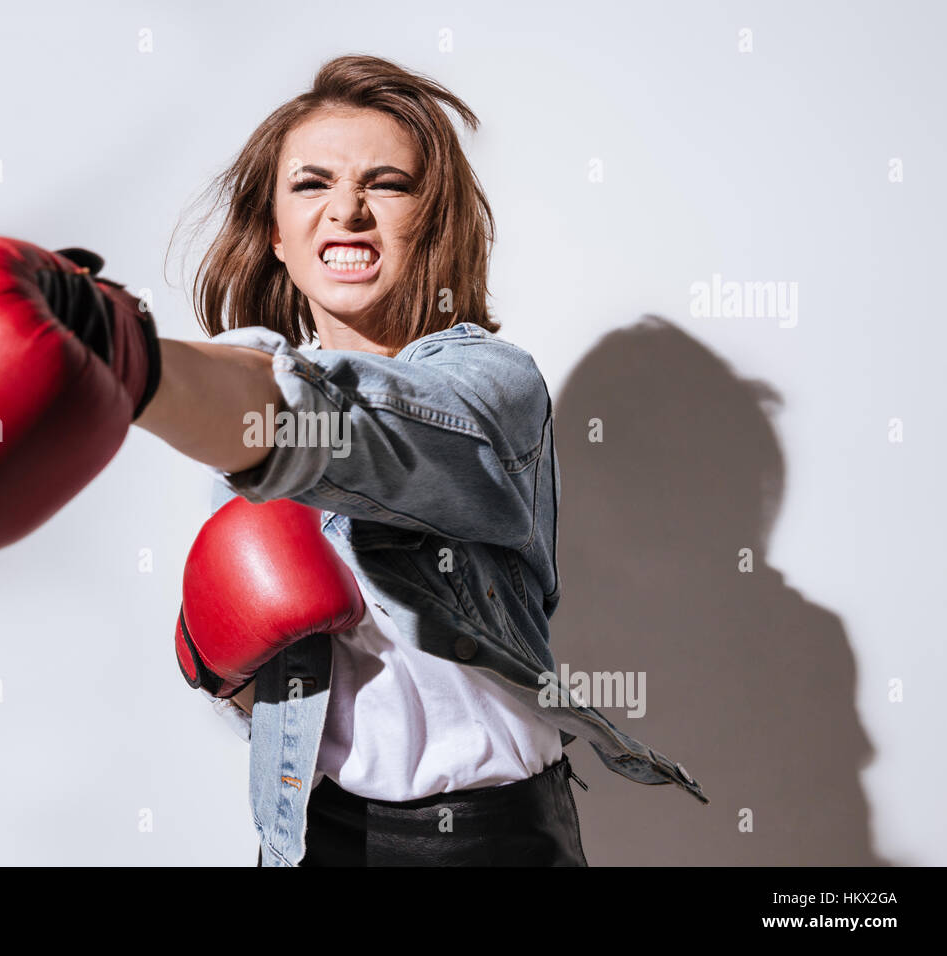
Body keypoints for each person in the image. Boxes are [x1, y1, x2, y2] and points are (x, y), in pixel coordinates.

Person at [134, 54, 706, 867]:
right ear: (276, 235)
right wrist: (228, 668)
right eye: (311, 185)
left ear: (430, 222)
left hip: (489, 838)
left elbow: (355, 429)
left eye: (388, 184)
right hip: (306, 834)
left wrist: (129, 361)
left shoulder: (491, 388)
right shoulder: (235, 427)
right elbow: (283, 695)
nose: (348, 211)